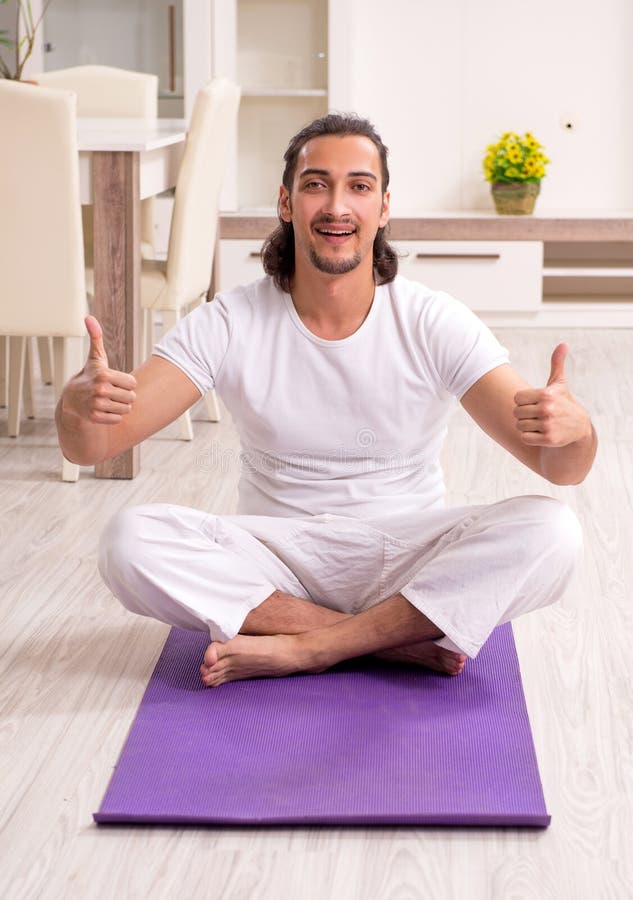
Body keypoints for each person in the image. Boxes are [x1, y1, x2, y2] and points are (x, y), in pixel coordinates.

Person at [56, 113, 597, 689]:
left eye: (359, 187)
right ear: (287, 203)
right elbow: (96, 445)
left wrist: (575, 431)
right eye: (317, 185)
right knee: (127, 540)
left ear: (383, 208)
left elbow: (556, 468)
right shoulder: (230, 321)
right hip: (276, 562)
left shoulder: (432, 320)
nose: (337, 205)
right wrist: (76, 406)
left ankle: (311, 647)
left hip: (405, 555)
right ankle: (383, 644)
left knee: (553, 532)